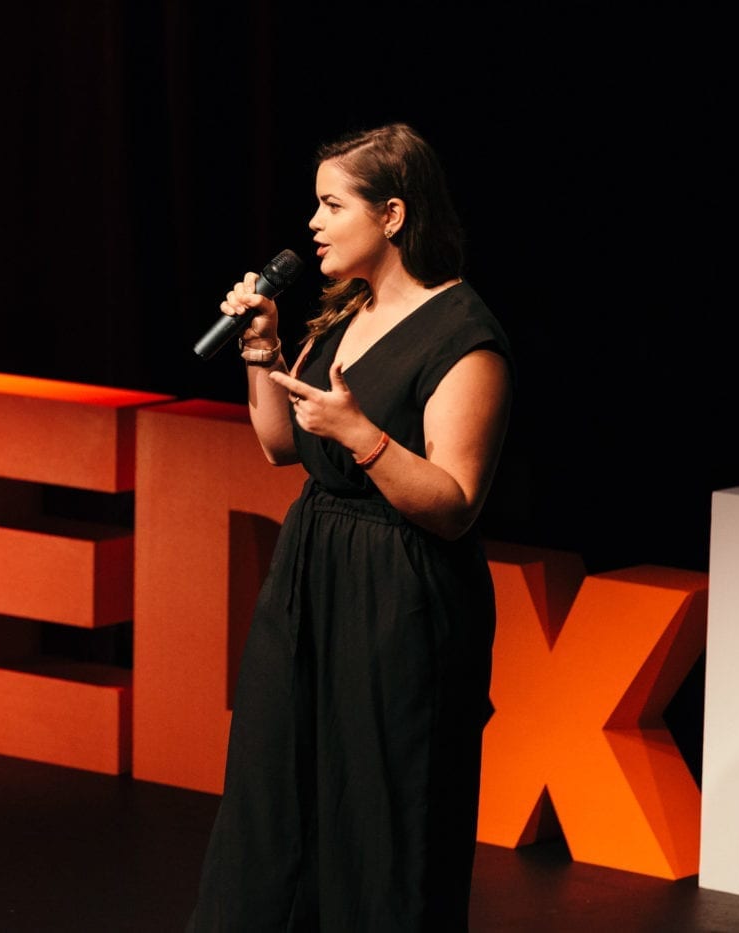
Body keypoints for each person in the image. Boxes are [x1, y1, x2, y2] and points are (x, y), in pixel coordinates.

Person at [188, 122, 513, 931]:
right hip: (311, 578)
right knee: (274, 799)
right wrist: (263, 350)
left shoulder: (464, 337)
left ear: (393, 214)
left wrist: (363, 436)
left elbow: (456, 500)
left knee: (381, 816)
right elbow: (280, 444)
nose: (314, 223)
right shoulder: (345, 313)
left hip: (401, 599)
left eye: (333, 205)